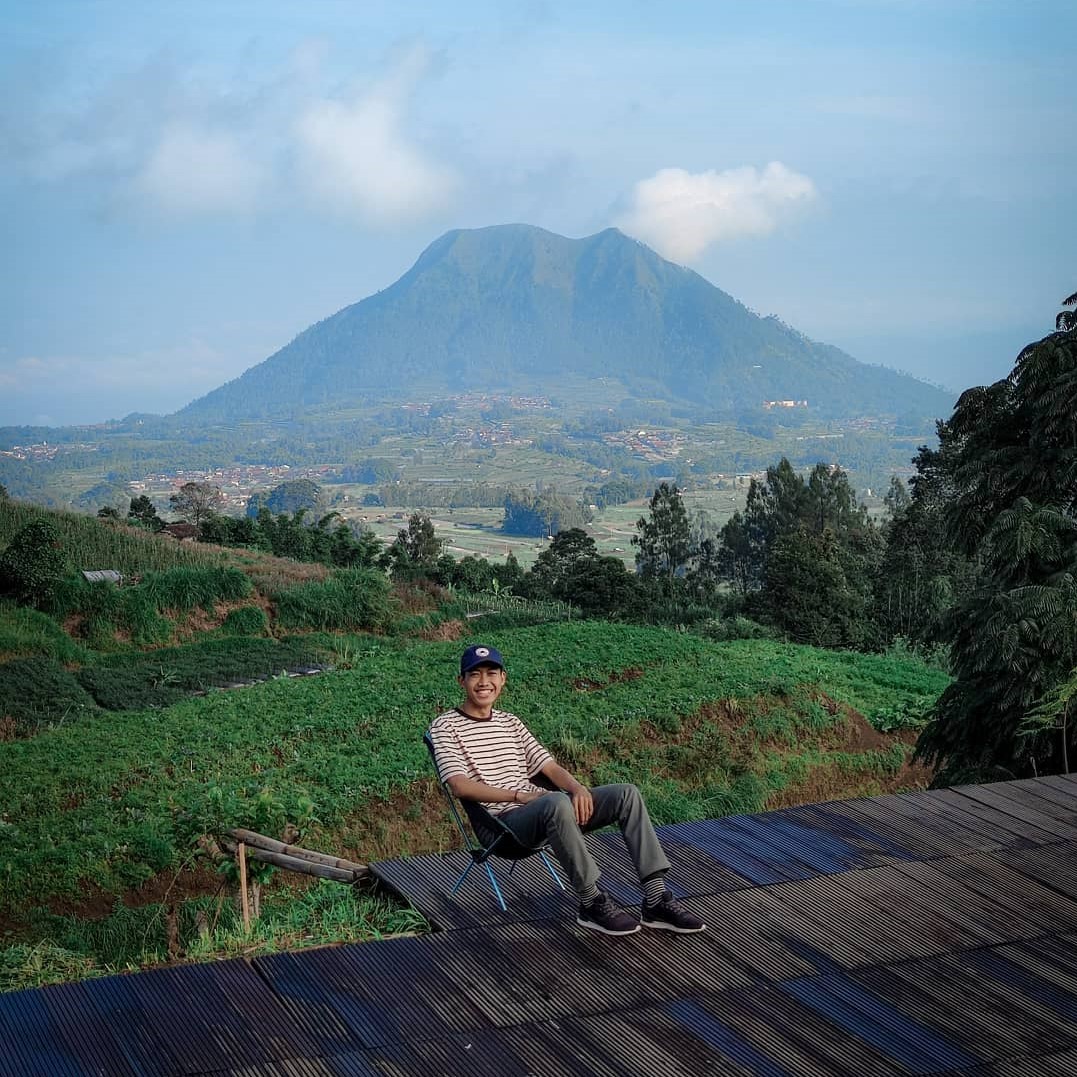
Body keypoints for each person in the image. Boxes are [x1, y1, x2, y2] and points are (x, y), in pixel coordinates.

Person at [428, 643, 706, 936]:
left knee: (627, 794)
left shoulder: (510, 722)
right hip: (502, 825)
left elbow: (549, 767)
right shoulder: (445, 726)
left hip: (545, 810)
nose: (484, 682)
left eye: (491, 673)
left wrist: (578, 788)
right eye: (475, 674)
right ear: (461, 681)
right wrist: (521, 796)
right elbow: (459, 785)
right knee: (556, 802)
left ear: (503, 679)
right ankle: (591, 902)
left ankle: (656, 899)